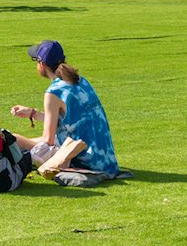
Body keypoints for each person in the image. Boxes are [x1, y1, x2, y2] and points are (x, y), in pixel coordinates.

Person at [9, 40, 121, 182]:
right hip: (105, 159)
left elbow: (47, 141)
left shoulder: (53, 92)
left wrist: (17, 140)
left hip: (84, 160)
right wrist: (33, 114)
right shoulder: (81, 80)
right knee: (39, 141)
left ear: (42, 64)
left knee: (14, 140)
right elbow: (73, 121)